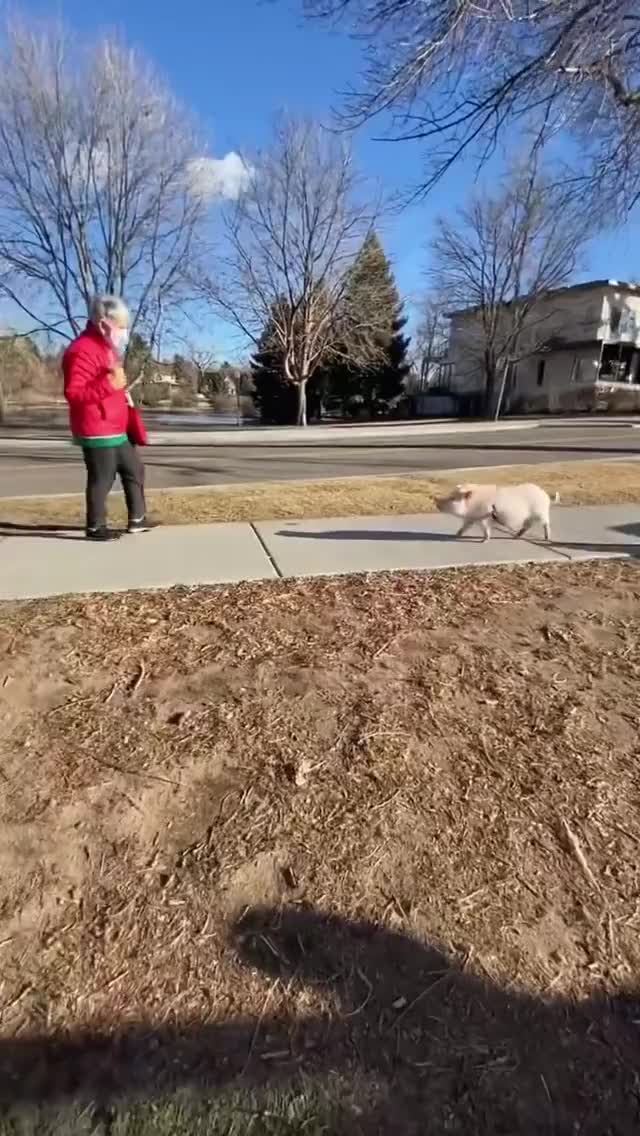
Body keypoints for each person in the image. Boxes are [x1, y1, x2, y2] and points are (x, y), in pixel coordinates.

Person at [62, 295, 151, 541]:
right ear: (103, 324)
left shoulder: (105, 348)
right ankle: (95, 527)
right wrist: (109, 385)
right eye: (120, 326)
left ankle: (138, 519)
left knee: (134, 469)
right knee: (103, 477)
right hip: (96, 429)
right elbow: (74, 393)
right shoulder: (81, 351)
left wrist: (122, 395)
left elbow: (113, 384)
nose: (124, 332)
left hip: (116, 426)